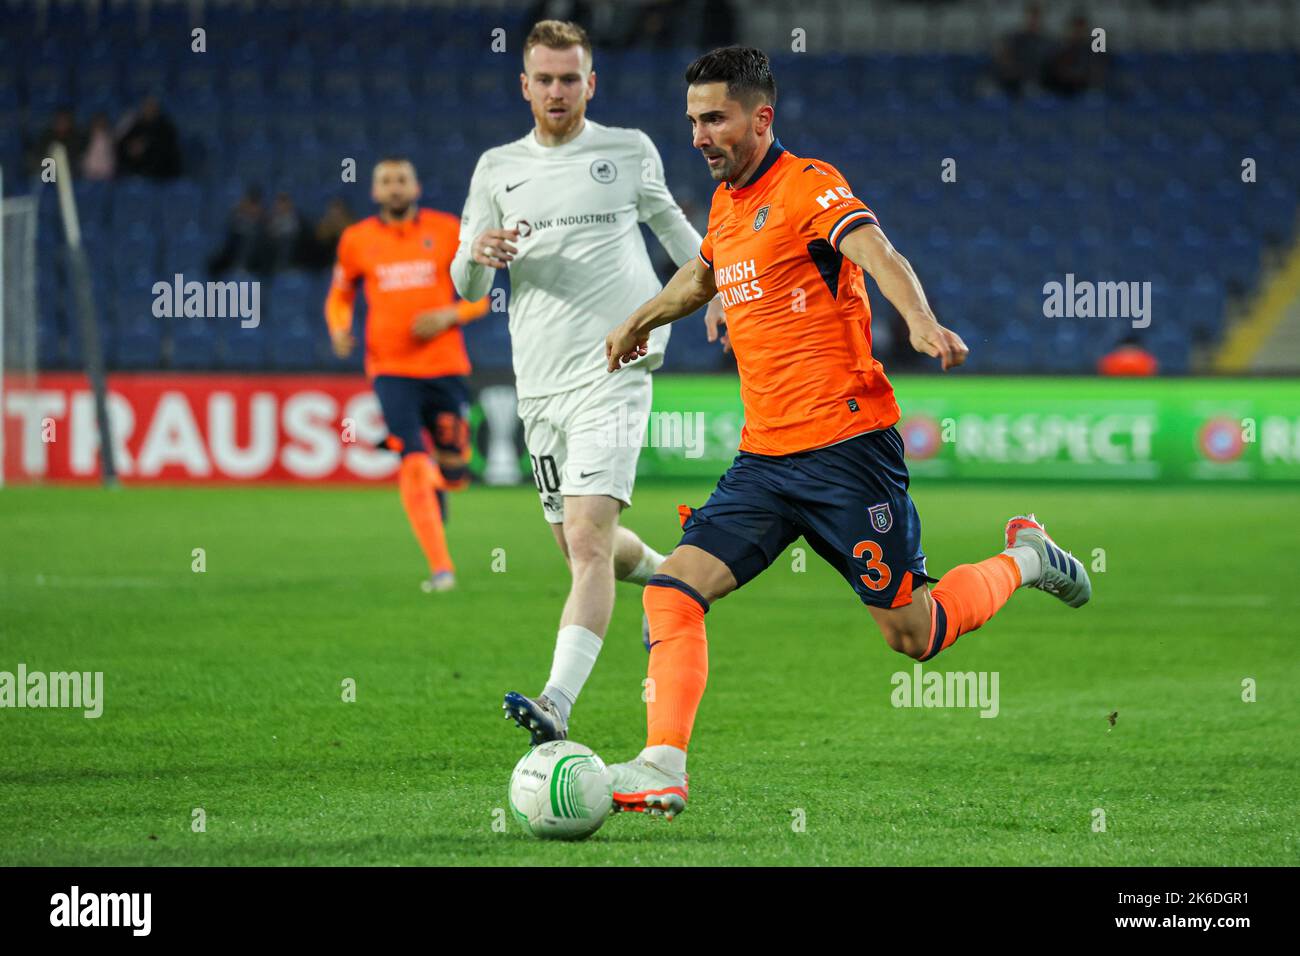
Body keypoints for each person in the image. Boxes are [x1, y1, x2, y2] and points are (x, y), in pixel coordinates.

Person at [602, 47, 1092, 818]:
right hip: (764, 463)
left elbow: (876, 250)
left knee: (915, 634)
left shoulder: (808, 184)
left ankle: (1026, 558)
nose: (699, 134)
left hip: (847, 454)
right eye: (692, 119)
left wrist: (921, 321)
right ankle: (663, 766)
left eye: (715, 118)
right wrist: (640, 320)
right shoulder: (728, 207)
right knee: (671, 593)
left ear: (761, 118)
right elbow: (703, 276)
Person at [450, 19, 726, 745]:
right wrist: (480, 253)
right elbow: (463, 280)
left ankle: (557, 703)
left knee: (587, 535)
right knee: (579, 550)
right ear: (524, 86)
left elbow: (674, 231)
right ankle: (675, 581)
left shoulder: (627, 149)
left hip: (618, 364)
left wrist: (722, 292)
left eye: (569, 79)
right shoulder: (496, 168)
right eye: (544, 79)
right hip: (538, 384)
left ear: (590, 83)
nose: (556, 91)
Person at [326, 158, 490, 591]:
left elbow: (481, 296)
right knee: (413, 460)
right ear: (375, 192)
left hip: (447, 366)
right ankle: (441, 569)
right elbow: (339, 296)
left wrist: (448, 315)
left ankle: (439, 471)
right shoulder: (356, 240)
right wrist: (339, 328)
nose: (394, 188)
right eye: (386, 182)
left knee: (455, 473)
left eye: (401, 180)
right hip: (390, 369)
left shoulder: (447, 230)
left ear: (416, 187)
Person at [116, 96, 182, 179]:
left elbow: (166, 145)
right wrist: (132, 147)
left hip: (162, 170)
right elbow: (123, 142)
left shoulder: (165, 127)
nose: (148, 111)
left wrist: (145, 145)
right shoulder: (136, 124)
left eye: (152, 108)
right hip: (138, 166)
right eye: (146, 108)